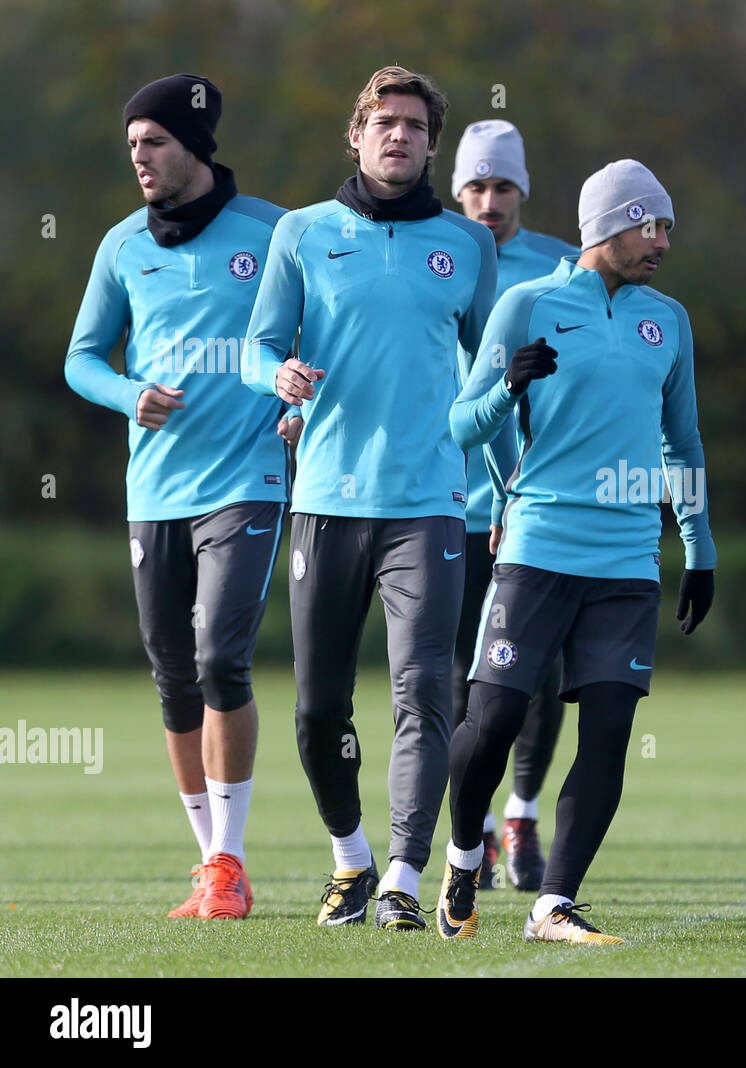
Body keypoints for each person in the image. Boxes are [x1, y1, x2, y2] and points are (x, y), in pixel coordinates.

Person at [242, 65, 503, 930]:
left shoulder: (468, 246)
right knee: (319, 709)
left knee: (425, 694)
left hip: (430, 505)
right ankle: (349, 858)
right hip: (323, 500)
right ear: (356, 134)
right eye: (383, 122)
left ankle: (401, 875)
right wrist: (276, 375)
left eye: (415, 126)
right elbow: (257, 347)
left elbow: (491, 374)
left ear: (433, 143)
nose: (399, 135)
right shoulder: (302, 234)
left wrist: (508, 483)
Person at [438, 160, 716, 944]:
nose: (661, 240)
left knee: (608, 732)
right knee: (490, 720)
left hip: (628, 563)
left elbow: (682, 441)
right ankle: (462, 857)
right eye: (647, 225)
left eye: (666, 226)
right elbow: (462, 427)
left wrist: (698, 545)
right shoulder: (526, 306)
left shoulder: (670, 319)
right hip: (537, 546)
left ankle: (552, 902)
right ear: (604, 228)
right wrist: (506, 389)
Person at [65, 73, 288, 920]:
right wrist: (129, 395)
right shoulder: (122, 244)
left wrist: (300, 402)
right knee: (172, 678)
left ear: (195, 144)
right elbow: (82, 357)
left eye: (153, 143)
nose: (141, 160)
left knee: (220, 657)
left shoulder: (275, 233)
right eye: (132, 147)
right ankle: (212, 866)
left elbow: (320, 333)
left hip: (248, 479)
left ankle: (229, 860)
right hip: (154, 490)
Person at [449, 119, 579, 893]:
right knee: (468, 683)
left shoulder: (563, 267)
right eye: (476, 187)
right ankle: (484, 830)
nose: (489, 201)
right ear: (457, 190)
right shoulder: (437, 260)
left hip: (538, 505)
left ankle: (525, 810)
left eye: (503, 187)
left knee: (542, 674)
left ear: (521, 190)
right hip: (448, 504)